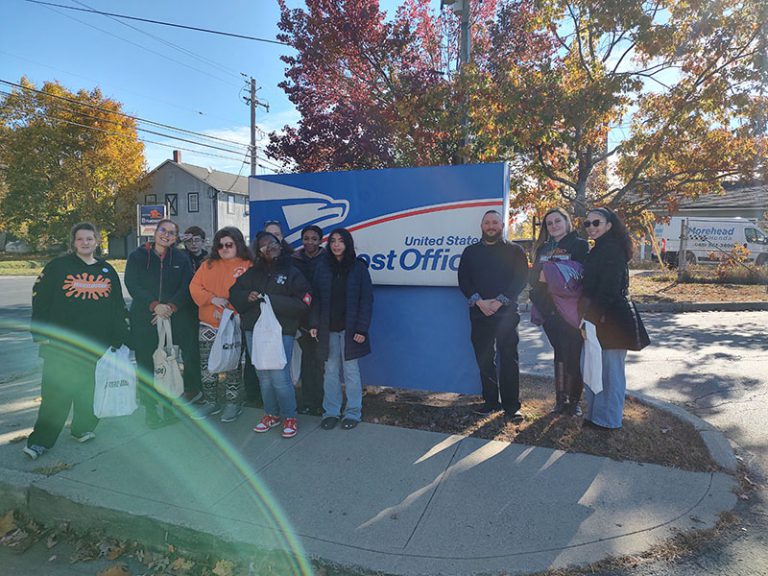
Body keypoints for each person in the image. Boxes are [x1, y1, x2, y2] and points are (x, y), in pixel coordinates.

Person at [24, 223, 128, 460]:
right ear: (73, 242)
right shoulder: (58, 267)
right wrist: (40, 333)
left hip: (96, 344)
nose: (85, 243)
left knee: (89, 390)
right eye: (80, 239)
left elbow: (117, 306)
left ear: (97, 241)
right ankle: (41, 441)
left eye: (89, 238)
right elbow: (40, 299)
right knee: (55, 393)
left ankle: (82, 428)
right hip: (61, 344)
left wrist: (120, 336)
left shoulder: (107, 270)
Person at [230, 232, 311, 439]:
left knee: (279, 376)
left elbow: (303, 303)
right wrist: (247, 297)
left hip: (281, 331)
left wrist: (271, 300)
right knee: (263, 376)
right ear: (259, 252)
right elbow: (234, 293)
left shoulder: (292, 271)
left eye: (274, 243)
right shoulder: (252, 273)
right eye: (265, 246)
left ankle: (289, 416)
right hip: (255, 331)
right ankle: (271, 414)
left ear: (281, 245)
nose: (271, 247)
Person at [125, 219, 200, 428]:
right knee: (146, 365)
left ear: (176, 237)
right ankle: (150, 412)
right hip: (145, 318)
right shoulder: (137, 256)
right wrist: (154, 305)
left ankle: (168, 408)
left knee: (168, 363)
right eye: (163, 230)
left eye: (171, 232)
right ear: (155, 231)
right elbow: (132, 284)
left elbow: (187, 286)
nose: (166, 235)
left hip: (172, 319)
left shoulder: (181, 258)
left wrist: (170, 307)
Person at [580, 207, 650, 430]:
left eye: (596, 223)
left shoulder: (612, 249)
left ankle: (608, 421)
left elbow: (608, 290)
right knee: (594, 368)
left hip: (613, 321)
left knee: (610, 374)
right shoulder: (599, 248)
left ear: (609, 225)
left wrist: (590, 318)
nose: (591, 227)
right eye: (587, 223)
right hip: (598, 317)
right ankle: (595, 416)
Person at [458, 210, 529, 422]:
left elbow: (520, 279)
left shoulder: (515, 250)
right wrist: (480, 302)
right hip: (479, 313)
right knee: (484, 359)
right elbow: (464, 279)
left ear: (502, 225)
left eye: (495, 222)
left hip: (506, 314)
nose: (491, 226)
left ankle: (511, 407)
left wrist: (499, 302)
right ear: (482, 226)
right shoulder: (470, 252)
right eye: (487, 223)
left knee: (509, 359)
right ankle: (490, 402)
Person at [309, 228, 373, 431]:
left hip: (350, 330)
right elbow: (316, 299)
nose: (336, 245)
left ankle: (353, 412)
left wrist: (362, 329)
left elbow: (366, 300)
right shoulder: (322, 267)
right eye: (333, 241)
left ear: (348, 244)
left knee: (351, 371)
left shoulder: (358, 268)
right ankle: (331, 412)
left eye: (341, 241)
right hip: (328, 329)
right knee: (330, 371)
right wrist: (314, 324)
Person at [529, 208, 589, 415]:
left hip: (571, 311)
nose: (554, 225)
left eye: (557, 221)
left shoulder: (579, 244)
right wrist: (552, 275)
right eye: (549, 223)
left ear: (566, 222)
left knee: (573, 354)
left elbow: (582, 276)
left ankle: (574, 402)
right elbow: (533, 278)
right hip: (548, 310)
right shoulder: (543, 248)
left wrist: (549, 275)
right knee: (560, 353)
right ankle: (560, 400)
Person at [190, 227, 252, 422]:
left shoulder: (247, 265)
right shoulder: (207, 265)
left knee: (232, 365)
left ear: (238, 244)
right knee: (207, 366)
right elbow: (194, 287)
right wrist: (212, 299)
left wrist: (227, 308)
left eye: (229, 244)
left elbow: (249, 293)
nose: (224, 248)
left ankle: (233, 403)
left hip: (234, 324)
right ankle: (211, 402)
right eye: (220, 245)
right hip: (208, 324)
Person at [292, 225, 326, 415]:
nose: (310, 242)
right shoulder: (295, 260)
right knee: (306, 361)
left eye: (314, 238)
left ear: (321, 240)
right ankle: (306, 402)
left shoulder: (327, 259)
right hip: (302, 318)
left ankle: (320, 403)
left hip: (322, 317)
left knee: (320, 363)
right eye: (306, 238)